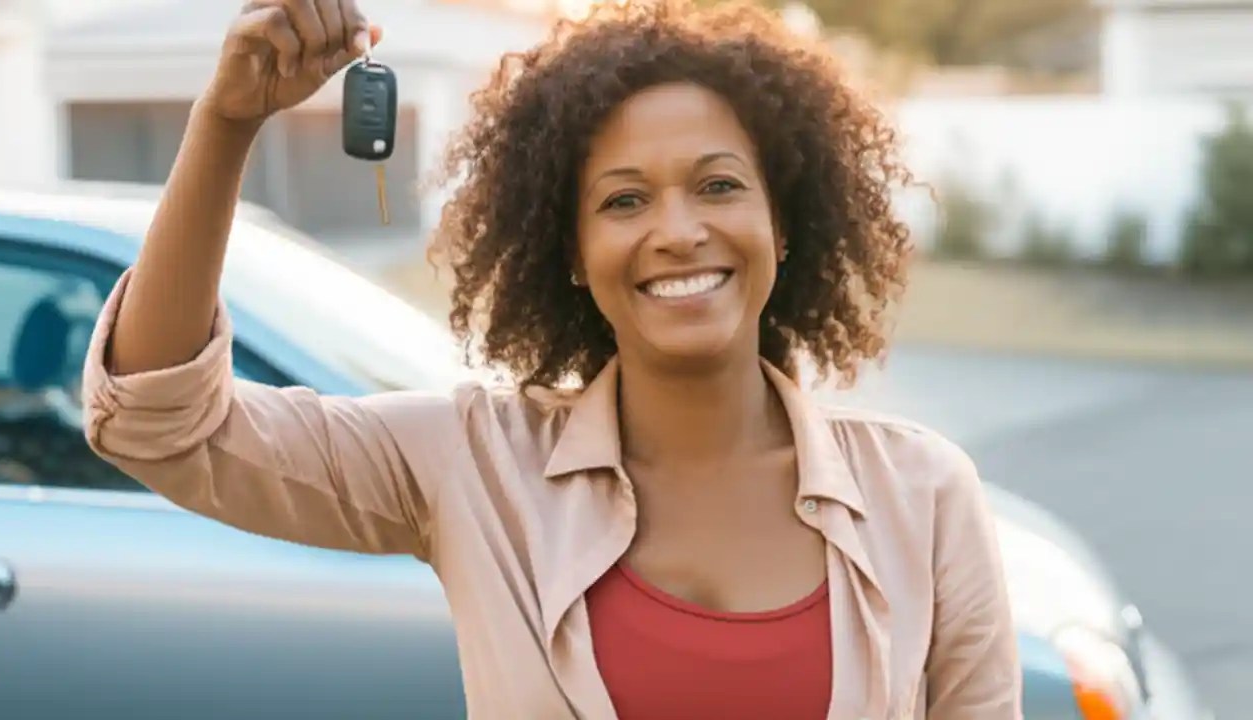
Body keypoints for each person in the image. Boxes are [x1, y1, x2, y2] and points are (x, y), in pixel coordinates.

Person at [80, 0, 1021, 717]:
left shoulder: (925, 493)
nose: (679, 231)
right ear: (569, 253)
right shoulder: (473, 464)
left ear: (783, 222)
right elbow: (164, 421)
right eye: (623, 202)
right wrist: (226, 123)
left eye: (720, 186)